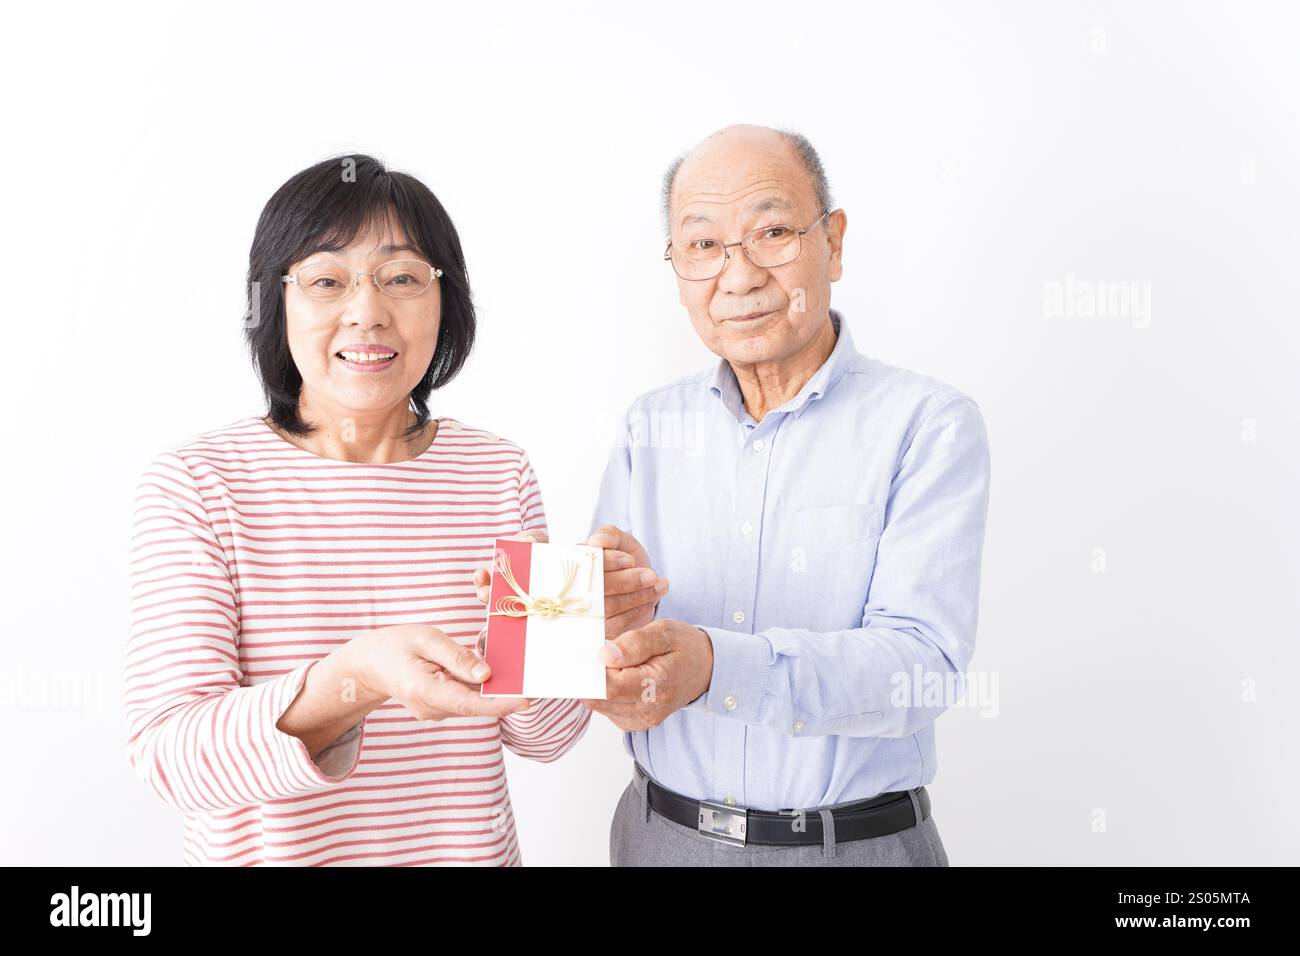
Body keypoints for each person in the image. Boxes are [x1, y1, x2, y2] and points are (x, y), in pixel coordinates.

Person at [124, 154, 623, 865]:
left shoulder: (496, 471)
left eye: (402, 278)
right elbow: (172, 758)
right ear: (275, 303)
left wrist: (576, 626)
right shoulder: (198, 484)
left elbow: (545, 737)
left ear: (445, 300)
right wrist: (352, 680)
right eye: (327, 281)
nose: (368, 311)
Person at [585, 125, 992, 866]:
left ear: (832, 243)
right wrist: (598, 634)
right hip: (658, 837)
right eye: (703, 246)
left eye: (771, 232)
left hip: (851, 848)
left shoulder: (926, 424)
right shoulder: (652, 426)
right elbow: (603, 651)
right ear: (675, 266)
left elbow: (921, 665)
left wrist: (714, 667)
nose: (737, 277)